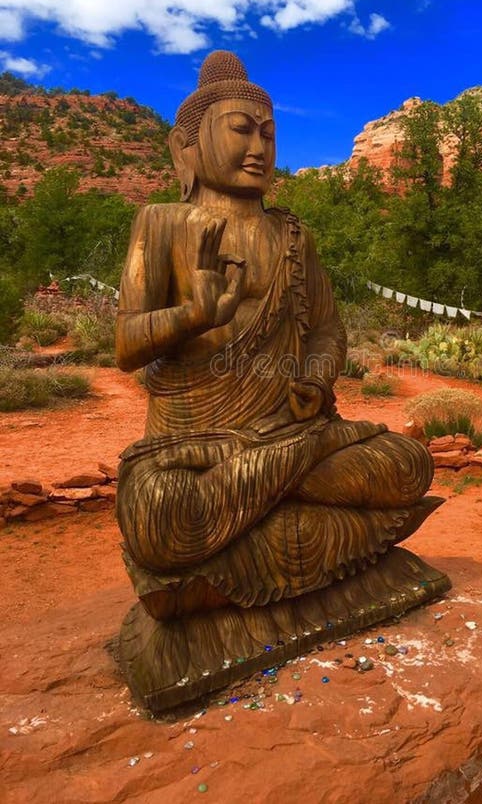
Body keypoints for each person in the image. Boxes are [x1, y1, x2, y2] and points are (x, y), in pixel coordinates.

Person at [115, 51, 438, 619]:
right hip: (194, 451)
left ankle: (237, 538)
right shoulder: (161, 222)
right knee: (160, 512)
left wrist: (314, 379)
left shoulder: (292, 234)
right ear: (185, 148)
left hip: (286, 432)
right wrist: (193, 316)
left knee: (408, 464)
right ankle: (294, 502)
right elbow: (126, 346)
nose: (259, 148)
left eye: (268, 134)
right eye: (241, 130)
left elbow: (327, 329)